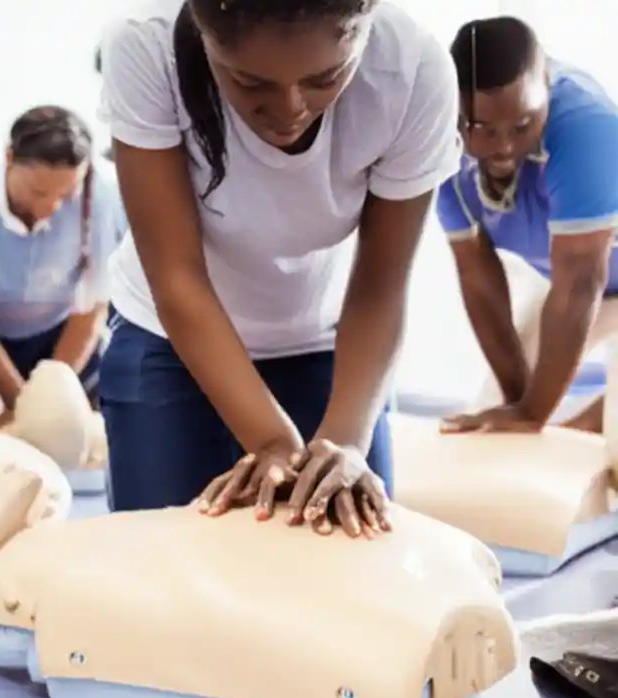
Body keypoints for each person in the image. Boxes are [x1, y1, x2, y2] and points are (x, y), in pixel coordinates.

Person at [97, 0, 462, 536]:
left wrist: (344, 442)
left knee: (351, 559)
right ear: (204, 37)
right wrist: (271, 442)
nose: (291, 107)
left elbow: (381, 285)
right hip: (168, 339)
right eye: (249, 83)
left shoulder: (415, 70)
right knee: (166, 569)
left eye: (325, 78)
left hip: (325, 342)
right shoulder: (145, 46)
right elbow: (177, 278)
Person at [436, 17, 618, 437]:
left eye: (523, 126)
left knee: (607, 435)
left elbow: (580, 283)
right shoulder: (439, 137)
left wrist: (533, 415)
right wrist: (517, 405)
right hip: (569, 281)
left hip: (584, 277)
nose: (503, 147)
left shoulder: (587, 128)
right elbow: (478, 275)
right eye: (484, 129)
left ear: (547, 92)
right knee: (487, 422)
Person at [0, 105, 127, 426]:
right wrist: (19, 401)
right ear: (9, 158)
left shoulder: (103, 192)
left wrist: (49, 399)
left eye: (65, 195)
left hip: (61, 335)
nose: (50, 206)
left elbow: (90, 310)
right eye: (38, 192)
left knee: (74, 425)